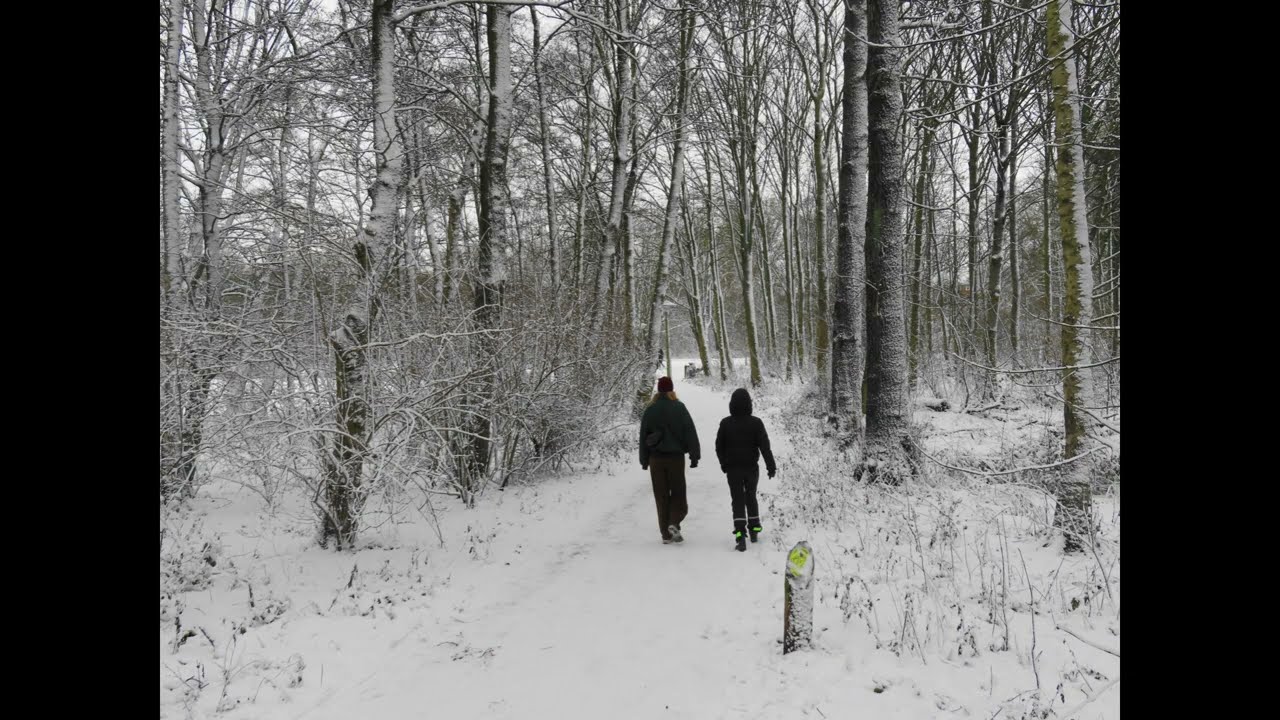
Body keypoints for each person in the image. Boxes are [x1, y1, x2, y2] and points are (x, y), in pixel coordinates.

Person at [639, 376, 701, 544]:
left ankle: (665, 535)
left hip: (656, 460)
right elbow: (690, 431)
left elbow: (643, 435)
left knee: (661, 496)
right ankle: (674, 522)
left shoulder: (650, 409)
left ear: (658, 390)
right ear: (672, 390)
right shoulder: (679, 408)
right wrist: (694, 455)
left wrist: (644, 460)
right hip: (675, 459)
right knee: (678, 493)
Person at [715, 388, 777, 551]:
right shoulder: (756, 423)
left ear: (732, 405)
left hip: (733, 469)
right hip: (751, 468)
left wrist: (724, 464)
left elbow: (719, 447)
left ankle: (740, 534)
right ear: (749, 404)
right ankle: (755, 529)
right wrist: (771, 466)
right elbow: (765, 447)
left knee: (737, 500)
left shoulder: (725, 423)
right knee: (750, 497)